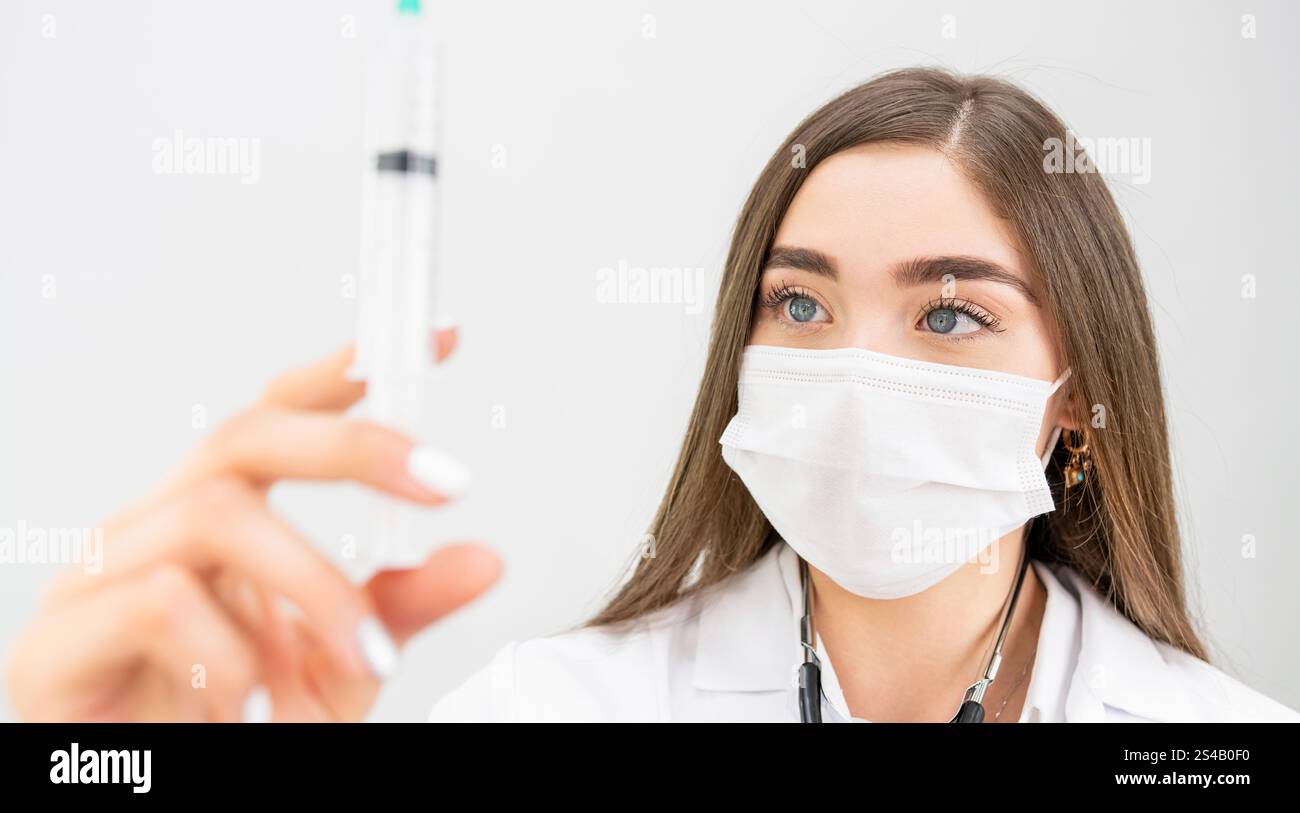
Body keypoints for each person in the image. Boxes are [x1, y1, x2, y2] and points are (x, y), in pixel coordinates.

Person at [9, 68, 1296, 723]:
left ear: (1076, 399)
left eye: (951, 312)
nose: (854, 373)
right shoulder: (558, 710)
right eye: (798, 304)